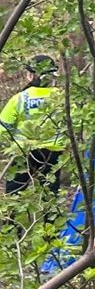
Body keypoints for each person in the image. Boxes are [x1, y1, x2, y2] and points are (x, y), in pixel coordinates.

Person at [2, 55, 63, 194]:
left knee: (14, 191)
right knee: (50, 192)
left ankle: (11, 215)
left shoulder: (19, 99)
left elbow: (4, 128)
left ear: (30, 75)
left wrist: (8, 145)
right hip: (53, 151)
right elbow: (75, 122)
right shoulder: (61, 97)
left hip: (23, 150)